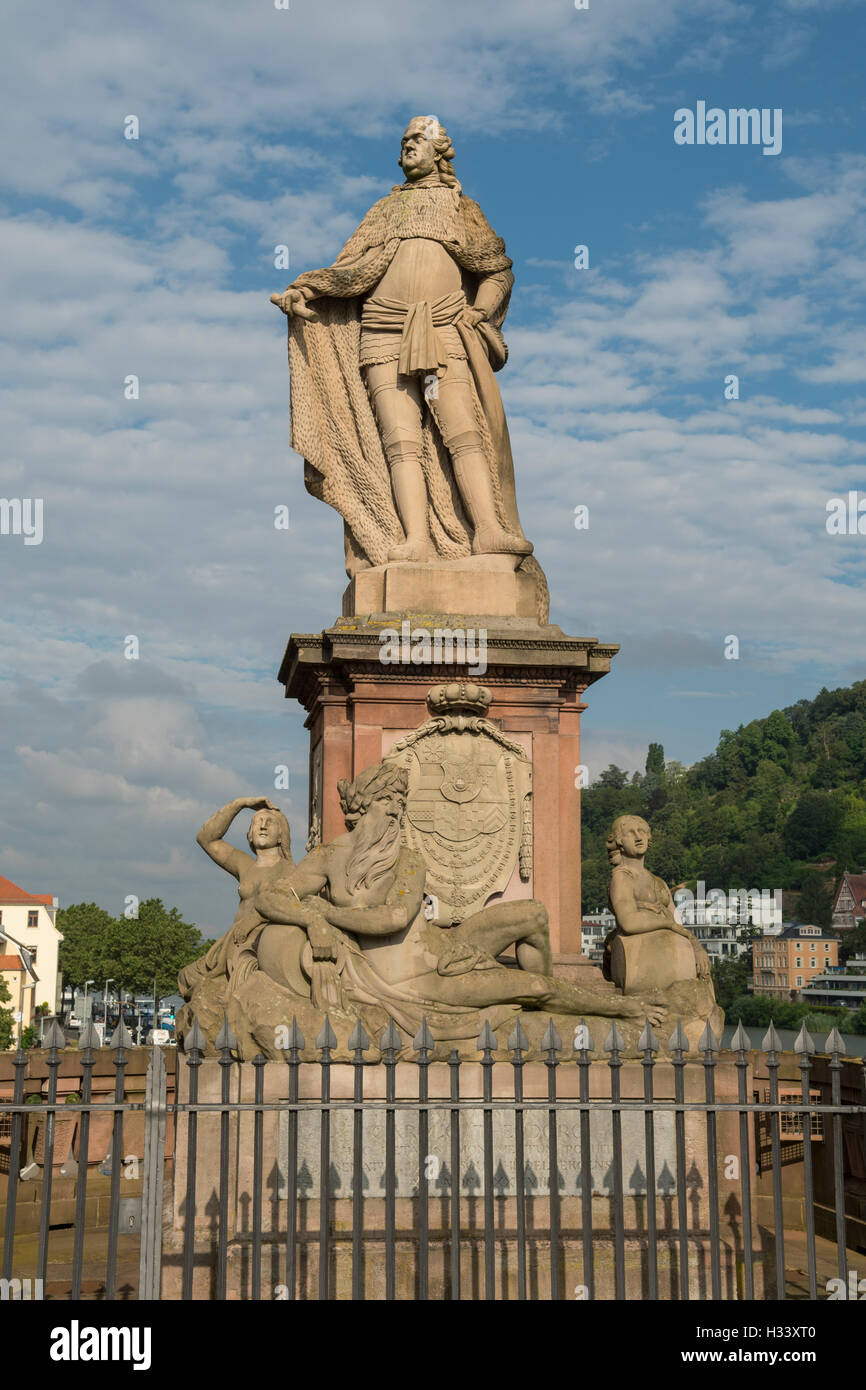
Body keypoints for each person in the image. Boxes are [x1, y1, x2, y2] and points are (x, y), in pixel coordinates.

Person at [270, 116, 534, 568]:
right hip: (382, 331)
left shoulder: (462, 209)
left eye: (418, 139)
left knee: (464, 432)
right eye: (404, 140)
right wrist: (307, 289)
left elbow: (495, 270)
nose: (408, 145)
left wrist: (480, 311)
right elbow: (353, 271)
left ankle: (489, 529)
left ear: (439, 150)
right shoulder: (382, 212)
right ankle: (415, 540)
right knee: (399, 441)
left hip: (445, 325)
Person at [252, 763, 667, 1041]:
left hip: (439, 951)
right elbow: (272, 896)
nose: (396, 811)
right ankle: (619, 1010)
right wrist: (313, 922)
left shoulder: (407, 860)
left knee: (534, 915)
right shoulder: (326, 857)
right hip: (415, 977)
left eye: (400, 803)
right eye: (386, 802)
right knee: (534, 987)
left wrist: (329, 914)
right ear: (361, 809)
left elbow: (395, 916)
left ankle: (550, 1005)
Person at [604, 815, 710, 986]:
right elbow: (629, 922)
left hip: (670, 956)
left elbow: (678, 924)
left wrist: (696, 946)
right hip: (643, 958)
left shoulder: (659, 882)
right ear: (619, 841)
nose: (639, 837)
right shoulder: (622, 877)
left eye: (643, 832)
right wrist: (667, 923)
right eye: (631, 833)